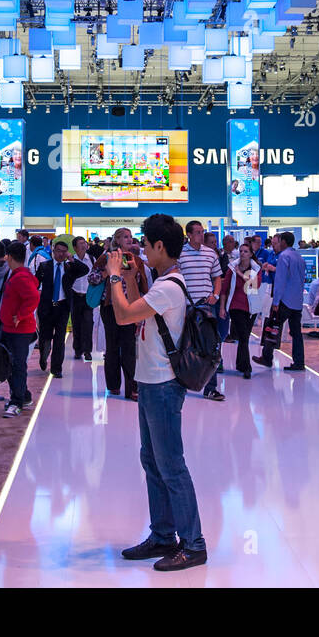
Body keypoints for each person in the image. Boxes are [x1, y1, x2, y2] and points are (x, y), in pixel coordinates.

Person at [105, 213, 207, 572]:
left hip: (163, 386)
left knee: (170, 465)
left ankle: (193, 544)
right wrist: (131, 279)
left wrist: (115, 275)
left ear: (160, 246)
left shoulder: (169, 286)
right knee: (152, 461)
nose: (141, 250)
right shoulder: (162, 283)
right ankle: (163, 535)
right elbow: (138, 312)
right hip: (151, 383)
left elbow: (121, 317)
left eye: (145, 244)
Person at [92, 228, 146, 400]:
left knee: (130, 347)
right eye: (125, 237)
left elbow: (143, 285)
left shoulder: (136, 259)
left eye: (131, 237)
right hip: (110, 307)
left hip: (130, 307)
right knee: (112, 346)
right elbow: (92, 279)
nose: (129, 240)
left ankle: (132, 388)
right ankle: (113, 385)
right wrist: (108, 271)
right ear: (117, 240)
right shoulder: (106, 257)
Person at [177, 220, 225, 400]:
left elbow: (217, 277)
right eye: (197, 232)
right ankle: (181, 383)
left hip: (206, 305)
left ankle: (211, 388)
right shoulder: (180, 253)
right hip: (186, 305)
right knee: (183, 345)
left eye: (202, 231)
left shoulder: (210, 253)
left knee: (209, 345)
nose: (201, 235)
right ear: (188, 234)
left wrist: (216, 295)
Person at [35, 239, 87, 377]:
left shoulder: (70, 268)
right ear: (53, 251)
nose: (61, 254)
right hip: (46, 307)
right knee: (45, 338)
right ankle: (43, 356)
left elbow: (85, 270)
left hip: (62, 307)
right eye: (58, 251)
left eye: (64, 252)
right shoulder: (44, 266)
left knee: (59, 339)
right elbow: (35, 283)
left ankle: (56, 369)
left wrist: (72, 259)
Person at [0, 241, 40, 417]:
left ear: (9, 256)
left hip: (19, 331)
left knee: (16, 366)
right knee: (12, 365)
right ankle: (23, 395)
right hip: (12, 329)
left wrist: (20, 316)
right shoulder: (17, 274)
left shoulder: (21, 277)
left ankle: (17, 401)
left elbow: (33, 298)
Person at [257, 231, 306, 372]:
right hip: (297, 301)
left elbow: (280, 281)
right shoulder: (299, 257)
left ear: (283, 242)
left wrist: (276, 302)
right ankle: (299, 362)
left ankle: (267, 357)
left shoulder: (284, 256)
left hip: (285, 300)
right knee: (297, 333)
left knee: (272, 327)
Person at [223, 243, 261, 378]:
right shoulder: (232, 267)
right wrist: (223, 307)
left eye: (246, 251)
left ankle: (240, 364)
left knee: (245, 336)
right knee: (244, 336)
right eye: (241, 251)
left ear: (251, 254)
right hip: (236, 306)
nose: (243, 253)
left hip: (251, 308)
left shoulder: (256, 268)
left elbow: (254, 285)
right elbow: (225, 289)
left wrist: (240, 274)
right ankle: (247, 367)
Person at [70, 236, 95, 363]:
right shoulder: (70, 261)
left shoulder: (91, 259)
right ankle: (77, 349)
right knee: (76, 323)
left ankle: (88, 351)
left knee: (88, 323)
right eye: (80, 243)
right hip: (74, 295)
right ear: (75, 247)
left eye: (84, 242)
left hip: (87, 296)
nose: (83, 245)